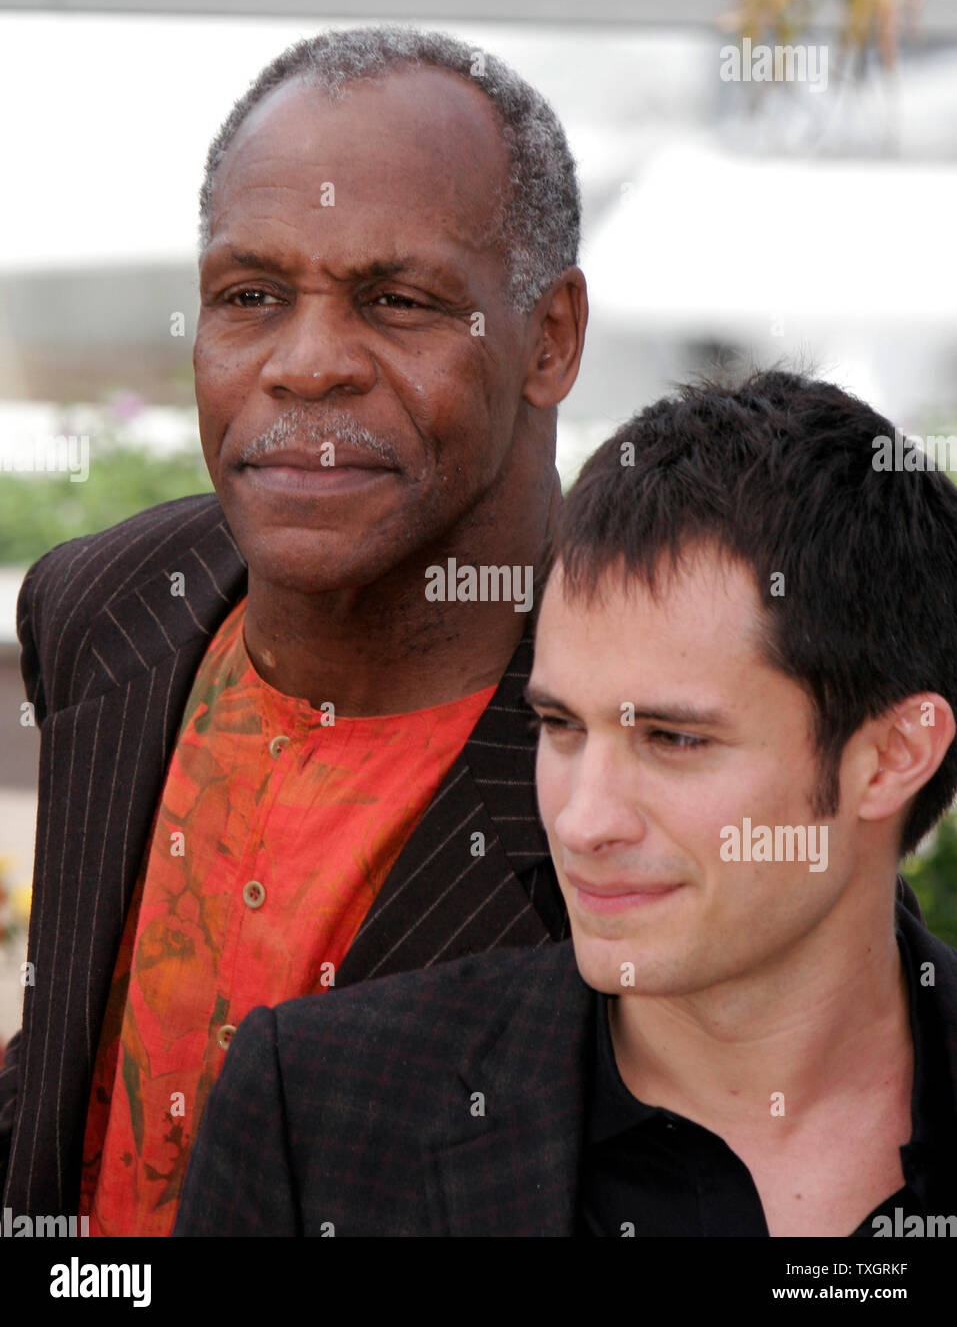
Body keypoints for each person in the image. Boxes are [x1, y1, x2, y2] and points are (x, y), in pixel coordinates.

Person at [1, 25, 588, 1233]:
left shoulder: (653, 754)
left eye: (399, 300)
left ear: (551, 338)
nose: (306, 365)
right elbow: (70, 1083)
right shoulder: (104, 609)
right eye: (251, 296)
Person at [175, 369, 957, 1237]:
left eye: (673, 740)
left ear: (892, 757)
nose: (582, 822)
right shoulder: (322, 1117)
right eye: (560, 725)